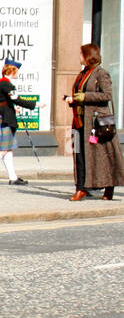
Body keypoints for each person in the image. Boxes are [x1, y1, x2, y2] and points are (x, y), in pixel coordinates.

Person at [65, 42, 124, 201]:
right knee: (79, 155)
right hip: (79, 121)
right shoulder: (82, 73)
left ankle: (109, 186)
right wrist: (73, 100)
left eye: (81, 54)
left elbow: (107, 96)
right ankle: (81, 188)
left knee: (102, 156)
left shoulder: (101, 73)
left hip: (95, 124)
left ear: (88, 56)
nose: (79, 57)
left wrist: (86, 97)